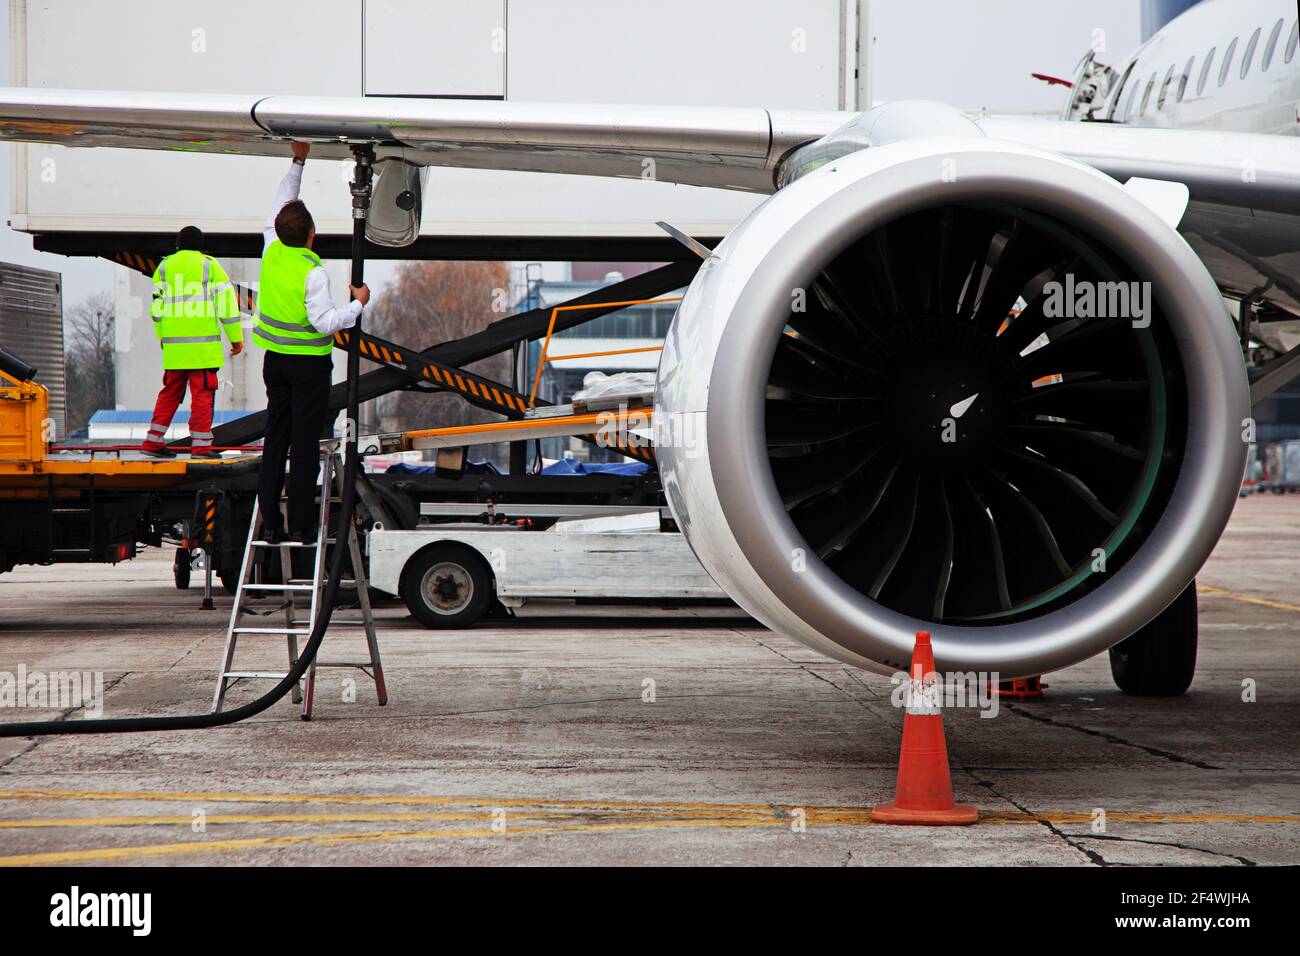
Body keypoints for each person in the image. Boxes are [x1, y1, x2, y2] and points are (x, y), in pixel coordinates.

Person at [254, 142, 369, 542]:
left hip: (275, 363)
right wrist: (356, 306)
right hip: (308, 368)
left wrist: (298, 161)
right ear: (312, 235)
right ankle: (300, 525)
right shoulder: (312, 272)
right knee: (304, 447)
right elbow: (324, 324)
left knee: (275, 440)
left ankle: (270, 523)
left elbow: (282, 201)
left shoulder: (271, 249)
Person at [141, 226, 242, 458]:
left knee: (169, 393)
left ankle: (153, 442)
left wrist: (162, 337)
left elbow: (156, 309)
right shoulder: (209, 266)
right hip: (202, 350)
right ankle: (201, 447)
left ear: (177, 244)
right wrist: (236, 340)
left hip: (175, 350)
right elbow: (227, 307)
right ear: (200, 246)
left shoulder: (164, 268)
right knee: (202, 395)